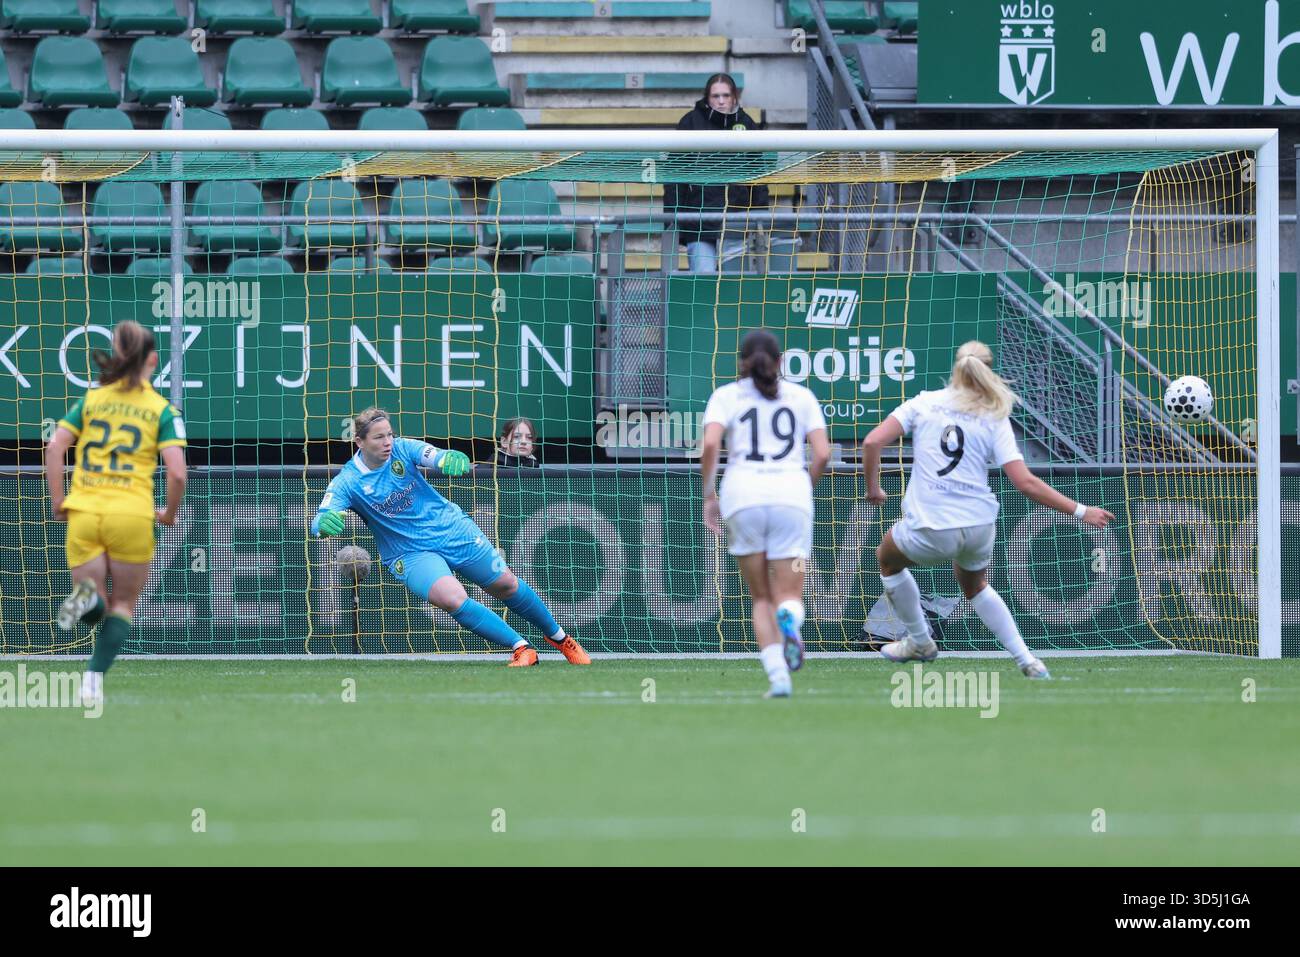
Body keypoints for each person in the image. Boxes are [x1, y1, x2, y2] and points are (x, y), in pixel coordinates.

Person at [861, 341, 1116, 678]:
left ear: (956, 368)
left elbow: (871, 442)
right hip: (979, 525)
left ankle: (920, 640)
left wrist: (874, 487)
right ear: (987, 371)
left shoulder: (923, 403)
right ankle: (1028, 660)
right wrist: (1082, 511)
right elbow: (1024, 482)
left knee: (887, 559)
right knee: (975, 585)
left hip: (932, 524)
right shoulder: (994, 415)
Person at [311, 408, 589, 666]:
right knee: (452, 598)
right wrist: (324, 524)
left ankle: (560, 638)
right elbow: (321, 518)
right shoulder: (347, 481)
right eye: (379, 437)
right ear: (359, 442)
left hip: (451, 528)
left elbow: (433, 455)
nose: (388, 442)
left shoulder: (403, 448)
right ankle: (521, 648)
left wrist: (447, 458)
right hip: (410, 552)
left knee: (506, 584)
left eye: (390, 435)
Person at [43, 320, 189, 704]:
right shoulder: (162, 410)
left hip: (86, 510)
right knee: (123, 605)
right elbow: (176, 472)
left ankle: (86, 603)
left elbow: (55, 448)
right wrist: (170, 514)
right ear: (153, 361)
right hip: (133, 514)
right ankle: (92, 679)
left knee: (91, 595)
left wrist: (59, 500)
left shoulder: (91, 401)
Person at [699, 329, 831, 698]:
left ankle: (779, 679)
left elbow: (710, 444)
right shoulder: (802, 396)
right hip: (791, 494)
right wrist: (805, 485)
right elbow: (821, 454)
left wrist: (710, 495)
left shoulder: (725, 396)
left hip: (743, 496)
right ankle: (791, 622)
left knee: (760, 598)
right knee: (789, 594)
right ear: (780, 363)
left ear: (742, 362)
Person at [665, 73, 770, 274]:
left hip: (738, 225)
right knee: (705, 287)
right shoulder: (690, 123)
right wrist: (674, 224)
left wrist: (760, 218)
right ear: (707, 98)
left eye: (726, 95)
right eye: (715, 96)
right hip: (700, 226)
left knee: (735, 291)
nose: (721, 101)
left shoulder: (747, 124)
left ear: (734, 98)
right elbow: (673, 178)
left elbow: (759, 177)